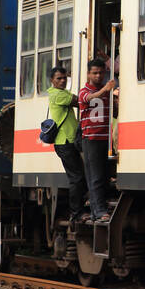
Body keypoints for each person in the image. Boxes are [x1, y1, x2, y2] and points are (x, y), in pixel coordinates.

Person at [46, 66, 88, 224]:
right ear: (52, 81)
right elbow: (80, 101)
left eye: (64, 78)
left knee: (80, 176)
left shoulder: (60, 93)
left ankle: (80, 208)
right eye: (59, 78)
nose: (62, 80)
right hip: (65, 143)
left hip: (69, 142)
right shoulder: (58, 95)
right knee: (76, 178)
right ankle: (76, 213)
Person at [77, 59, 116, 225]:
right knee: (95, 177)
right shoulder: (84, 91)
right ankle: (98, 211)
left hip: (105, 139)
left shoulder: (107, 92)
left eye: (101, 73)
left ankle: (99, 209)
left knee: (106, 176)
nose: (98, 76)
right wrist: (106, 89)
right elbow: (90, 97)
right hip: (91, 139)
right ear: (88, 74)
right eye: (95, 73)